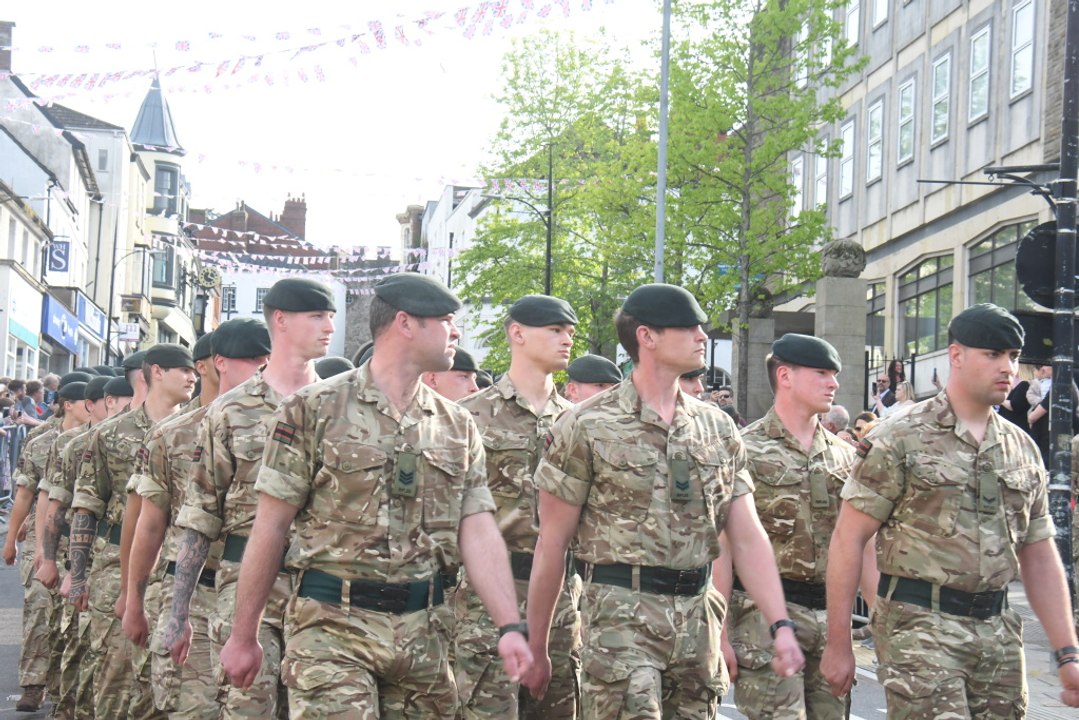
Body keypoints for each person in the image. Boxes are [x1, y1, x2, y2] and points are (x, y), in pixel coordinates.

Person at [216, 272, 531, 718]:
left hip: (424, 636)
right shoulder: (314, 409)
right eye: (444, 320)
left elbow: (477, 527)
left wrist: (509, 625)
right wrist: (243, 635)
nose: (456, 332)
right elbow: (271, 525)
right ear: (405, 324)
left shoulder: (457, 426)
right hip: (332, 629)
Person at [524, 283, 804, 718]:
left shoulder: (718, 428)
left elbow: (747, 536)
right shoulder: (586, 425)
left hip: (698, 620)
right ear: (646, 336)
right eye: (688, 326)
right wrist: (538, 645)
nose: (702, 336)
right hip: (622, 621)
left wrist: (780, 623)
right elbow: (552, 544)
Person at [821, 303, 1079, 714]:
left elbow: (1039, 553)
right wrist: (839, 643)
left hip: (998, 633)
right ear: (956, 356)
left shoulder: (1021, 448)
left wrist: (1068, 652)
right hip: (920, 630)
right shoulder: (900, 437)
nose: (1008, 368)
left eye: (1013, 357)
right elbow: (849, 538)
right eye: (993, 355)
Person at [167, 278, 336, 719]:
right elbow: (202, 516)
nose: (329, 326)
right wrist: (177, 614)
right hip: (244, 586)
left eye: (331, 316)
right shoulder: (230, 411)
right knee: (248, 707)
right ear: (280, 320)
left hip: (326, 591)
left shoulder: (342, 408)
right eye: (317, 316)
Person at [720, 334, 876, 719]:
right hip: (763, 619)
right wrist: (718, 634)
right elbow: (724, 546)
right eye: (822, 373)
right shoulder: (744, 449)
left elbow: (865, 546)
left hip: (832, 616)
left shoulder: (845, 456)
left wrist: (880, 621)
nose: (833, 383)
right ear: (786, 376)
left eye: (835, 374)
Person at [127, 323, 268, 718]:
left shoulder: (291, 423)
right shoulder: (171, 435)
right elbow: (148, 524)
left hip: (256, 595)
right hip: (193, 591)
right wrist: (133, 599)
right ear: (212, 365)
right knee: (191, 709)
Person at [454, 295, 581, 720]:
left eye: (569, 332)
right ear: (517, 333)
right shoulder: (467, 417)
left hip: (562, 602)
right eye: (555, 330)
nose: (567, 340)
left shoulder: (580, 423)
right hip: (485, 600)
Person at [68, 345, 196, 719]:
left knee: (166, 686)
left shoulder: (200, 428)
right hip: (114, 566)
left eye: (194, 370)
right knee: (115, 676)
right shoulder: (110, 434)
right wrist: (78, 578)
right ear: (155, 372)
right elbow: (88, 506)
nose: (191, 377)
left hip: (174, 569)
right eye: (182, 370)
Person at [998, 364, 1034, 433]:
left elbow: (1014, 405)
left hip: (1015, 427)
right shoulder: (1024, 384)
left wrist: (999, 399)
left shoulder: (1025, 384)